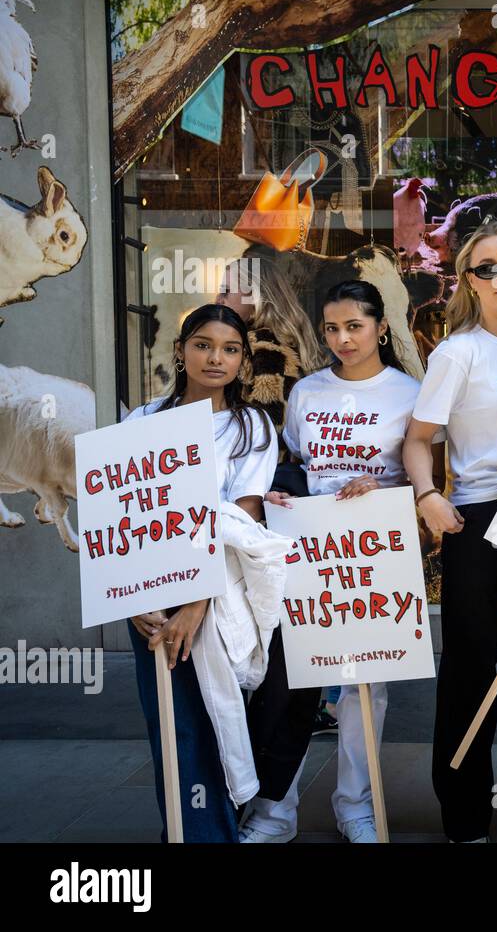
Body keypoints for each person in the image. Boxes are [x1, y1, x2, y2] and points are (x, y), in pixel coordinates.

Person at [238, 280, 420, 844]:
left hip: (372, 551)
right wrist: (279, 496)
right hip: (309, 548)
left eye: (355, 327)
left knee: (364, 686)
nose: (342, 339)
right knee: (291, 682)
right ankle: (275, 811)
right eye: (332, 329)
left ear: (381, 328)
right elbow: (296, 460)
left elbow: (425, 476)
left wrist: (385, 483)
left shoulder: (409, 392)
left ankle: (356, 807)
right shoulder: (308, 392)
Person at [403, 221, 497, 843]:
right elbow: (418, 441)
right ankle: (465, 813)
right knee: (470, 670)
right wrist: (428, 495)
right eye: (486, 268)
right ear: (468, 279)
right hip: (481, 517)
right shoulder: (456, 351)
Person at [125, 303, 278, 842]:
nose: (216, 358)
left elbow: (243, 518)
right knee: (168, 723)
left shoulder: (251, 426)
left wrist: (196, 603)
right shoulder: (140, 421)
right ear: (181, 350)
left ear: (243, 361)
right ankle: (182, 830)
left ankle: (215, 834)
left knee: (213, 717)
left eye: (231, 349)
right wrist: (136, 596)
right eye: (204, 345)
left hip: (211, 595)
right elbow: (125, 511)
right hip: (147, 593)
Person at [215, 254, 326, 433]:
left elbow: (269, 428)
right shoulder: (275, 343)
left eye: (226, 291)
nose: (219, 299)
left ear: (254, 296)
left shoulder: (264, 348)